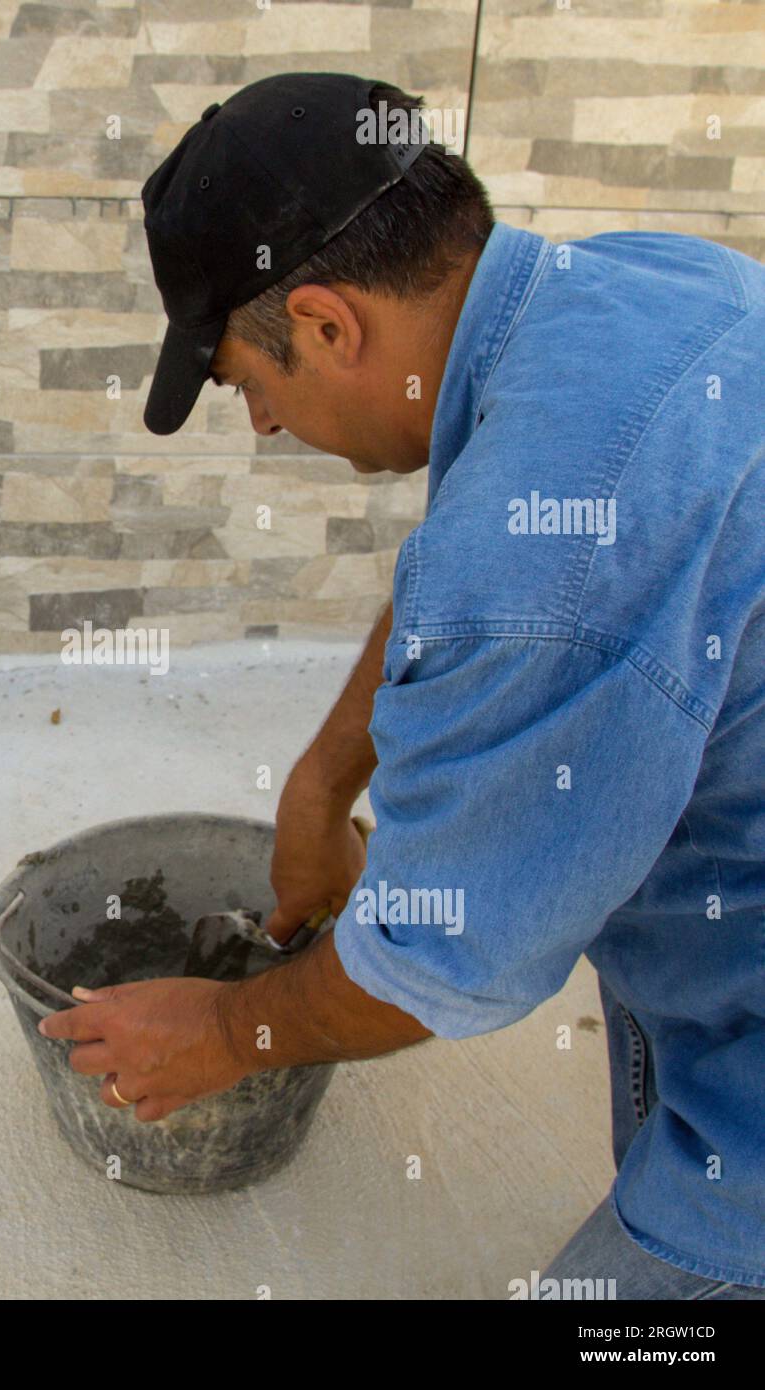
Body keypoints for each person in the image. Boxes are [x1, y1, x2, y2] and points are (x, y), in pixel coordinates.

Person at [38, 72, 765, 1298]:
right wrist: (324, 785)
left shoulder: (529, 566)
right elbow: (494, 558)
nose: (261, 424)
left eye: (242, 384)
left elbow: (442, 958)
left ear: (325, 324)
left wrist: (224, 1030)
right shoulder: (632, 287)